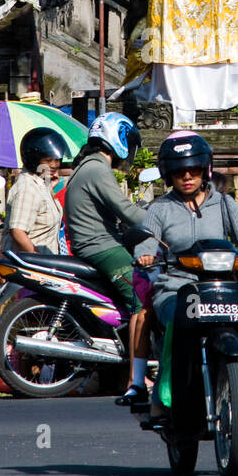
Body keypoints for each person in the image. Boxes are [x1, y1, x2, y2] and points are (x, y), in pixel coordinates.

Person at [134, 131, 238, 416]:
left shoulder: (225, 203)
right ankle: (164, 395)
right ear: (168, 175)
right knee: (177, 319)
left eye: (194, 170)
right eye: (179, 172)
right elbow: (146, 241)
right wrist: (144, 254)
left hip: (221, 288)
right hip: (176, 289)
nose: (187, 176)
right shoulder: (159, 208)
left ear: (205, 170)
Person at [61, 112, 149, 399]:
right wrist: (162, 222)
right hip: (101, 247)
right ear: (117, 139)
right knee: (141, 303)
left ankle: (121, 371)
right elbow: (127, 210)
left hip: (93, 244)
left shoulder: (88, 166)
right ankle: (137, 379)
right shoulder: (98, 169)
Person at [1, 128, 70, 256]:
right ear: (34, 160)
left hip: (46, 263)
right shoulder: (28, 188)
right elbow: (18, 231)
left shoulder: (41, 183)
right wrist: (36, 257)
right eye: (48, 160)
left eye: (57, 160)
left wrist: (50, 187)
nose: (55, 165)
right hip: (29, 267)